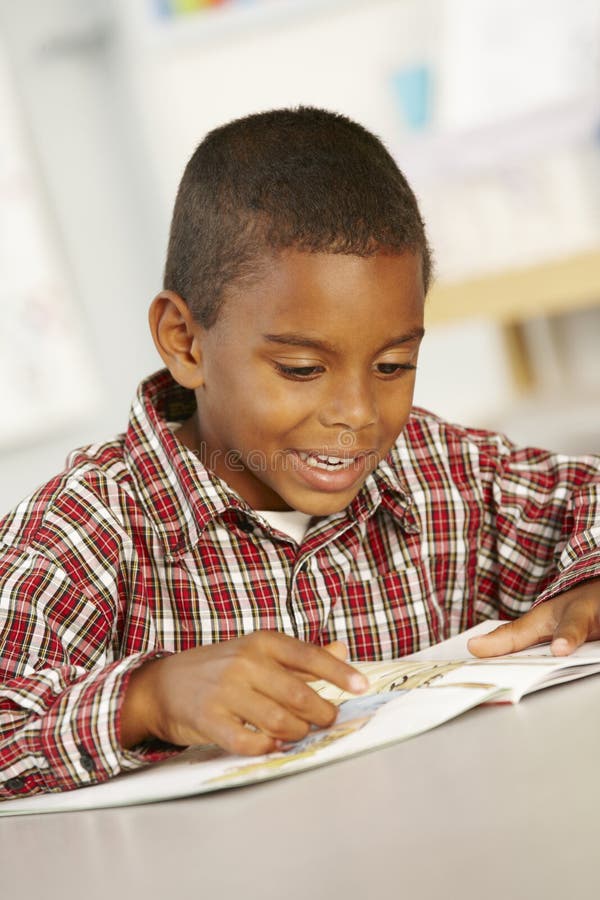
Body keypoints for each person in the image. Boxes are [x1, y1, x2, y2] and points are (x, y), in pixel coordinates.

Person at [1, 107, 599, 801]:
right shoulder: (85, 530)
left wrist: (589, 585)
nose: (357, 414)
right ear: (184, 341)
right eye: (302, 369)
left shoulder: (446, 475)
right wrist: (146, 700)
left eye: (394, 364)